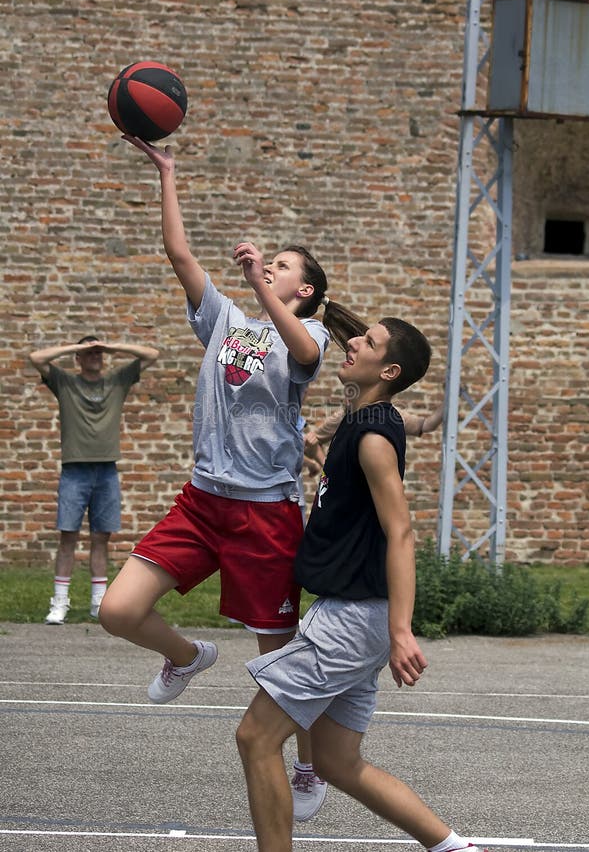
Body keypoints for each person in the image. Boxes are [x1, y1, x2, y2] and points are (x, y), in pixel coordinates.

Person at [99, 135, 367, 820]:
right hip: (201, 502)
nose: (268, 268)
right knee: (117, 610)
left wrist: (256, 285)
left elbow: (303, 349)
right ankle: (186, 656)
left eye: (281, 267)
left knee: (283, 662)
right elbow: (179, 256)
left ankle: (308, 767)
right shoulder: (225, 322)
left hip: (263, 516)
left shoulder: (307, 340)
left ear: (302, 290)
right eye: (267, 263)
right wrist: (167, 174)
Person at [236, 318, 483, 852]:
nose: (353, 344)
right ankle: (455, 849)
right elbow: (350, 340)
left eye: (367, 344)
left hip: (353, 619)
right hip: (357, 617)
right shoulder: (364, 413)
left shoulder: (372, 437)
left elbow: (401, 532)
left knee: (256, 738)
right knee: (335, 761)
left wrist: (401, 630)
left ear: (388, 370)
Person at [29, 336, 160, 624]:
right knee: (68, 537)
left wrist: (112, 347)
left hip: (107, 472)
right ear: (79, 358)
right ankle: (59, 603)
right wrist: (77, 348)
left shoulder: (117, 380)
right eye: (90, 354)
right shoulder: (65, 382)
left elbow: (152, 353)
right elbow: (36, 358)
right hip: (74, 471)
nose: (95, 357)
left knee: (101, 538)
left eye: (98, 354)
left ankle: (98, 602)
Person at [303, 397, 444, 474]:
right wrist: (320, 461)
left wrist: (450, 398)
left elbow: (426, 425)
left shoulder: (390, 414)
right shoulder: (343, 416)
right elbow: (310, 441)